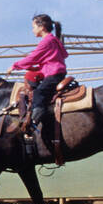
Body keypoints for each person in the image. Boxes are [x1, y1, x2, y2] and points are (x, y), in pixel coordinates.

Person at [7, 13, 67, 146]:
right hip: (53, 72)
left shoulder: (47, 41)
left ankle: (32, 123)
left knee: (39, 93)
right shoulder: (53, 40)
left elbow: (33, 57)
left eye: (34, 26)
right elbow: (42, 60)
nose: (32, 30)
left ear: (42, 27)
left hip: (54, 74)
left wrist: (15, 66)